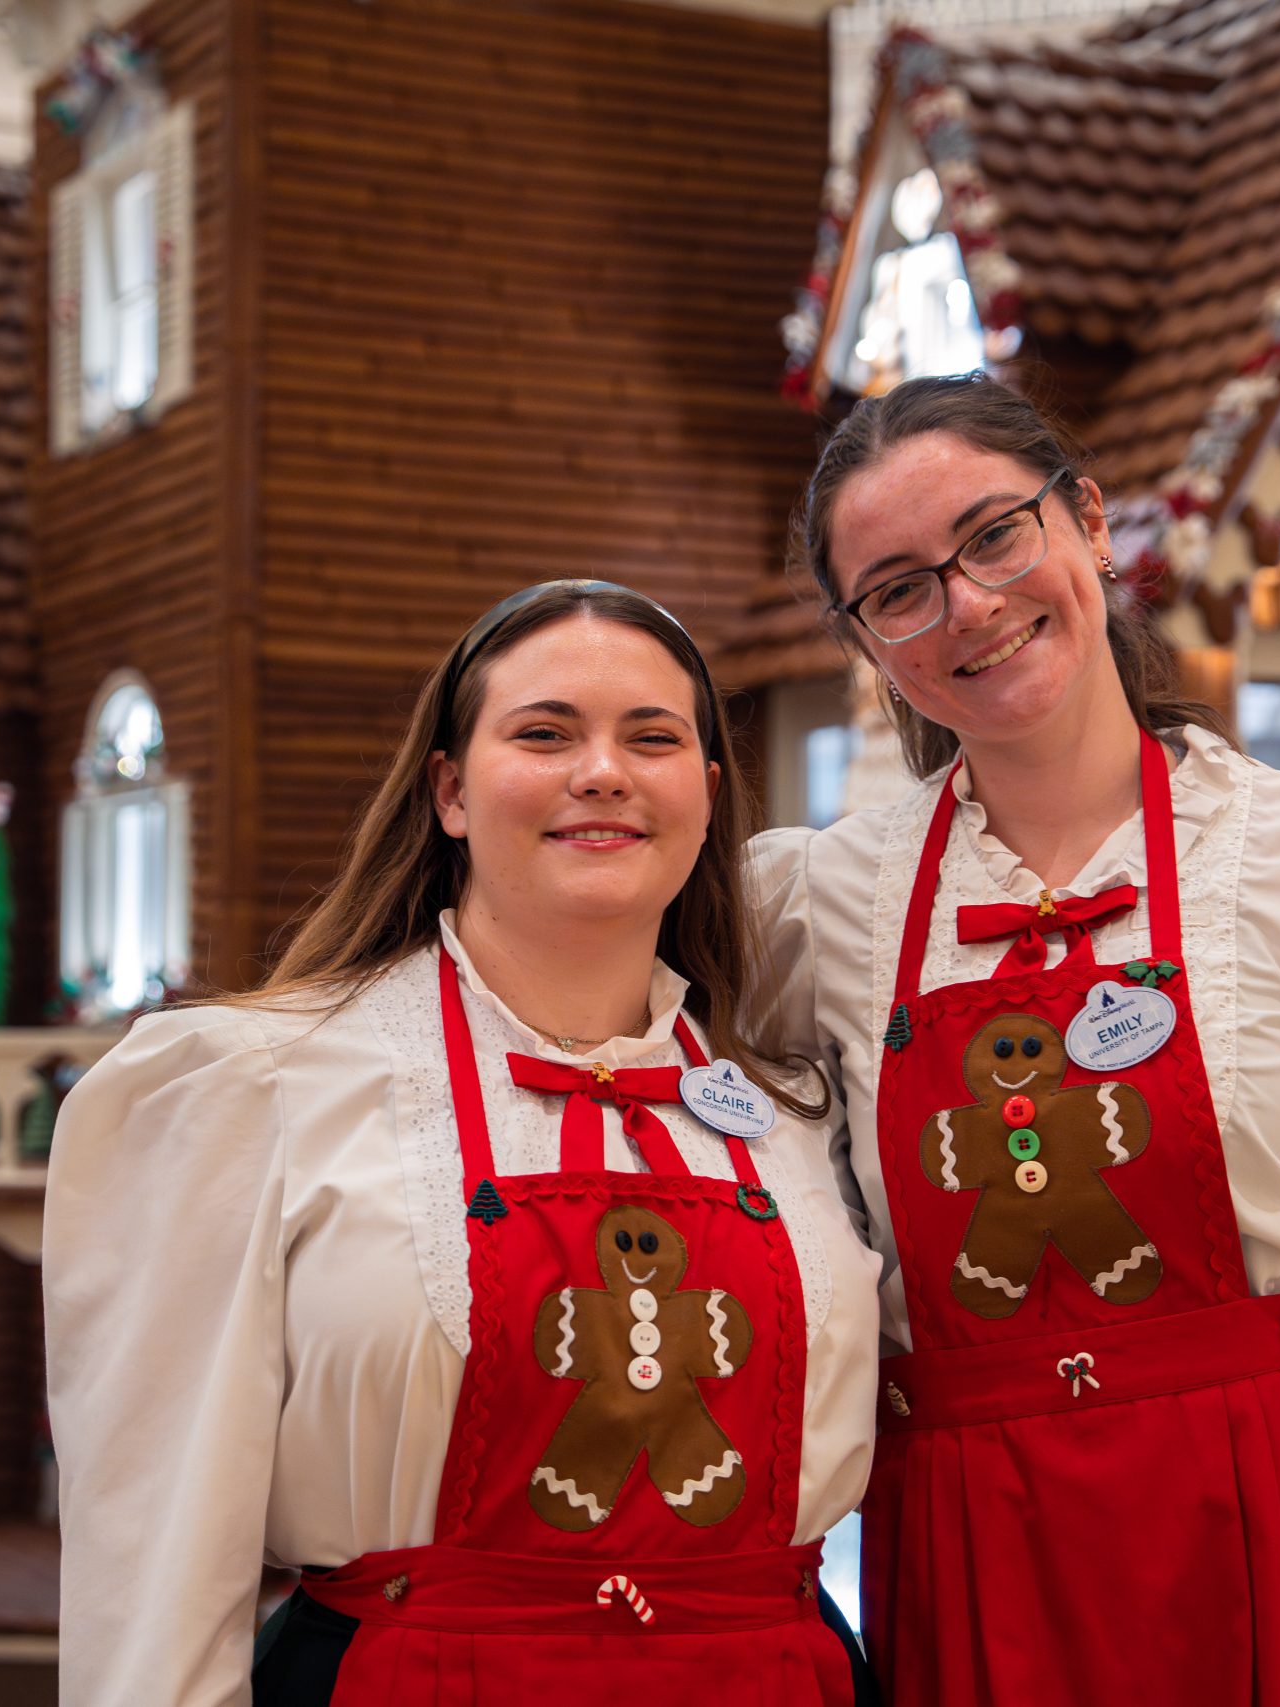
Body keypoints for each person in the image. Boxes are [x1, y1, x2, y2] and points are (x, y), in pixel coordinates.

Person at [753, 376, 1280, 1707]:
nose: (966, 603)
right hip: (972, 1551)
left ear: (1088, 522)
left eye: (993, 535)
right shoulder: (814, 906)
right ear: (867, 639)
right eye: (898, 589)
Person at [46, 582, 884, 1706]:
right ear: (448, 789)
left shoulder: (792, 1106)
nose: (604, 771)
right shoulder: (259, 1086)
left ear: (708, 794)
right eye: (544, 734)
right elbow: (154, 1567)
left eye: (653, 739)